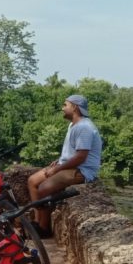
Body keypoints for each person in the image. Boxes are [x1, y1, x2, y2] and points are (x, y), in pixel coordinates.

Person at [27, 93, 102, 233]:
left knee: (43, 188)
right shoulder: (73, 125)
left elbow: (81, 157)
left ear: (74, 107)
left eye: (65, 105)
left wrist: (57, 169)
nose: (62, 108)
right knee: (32, 181)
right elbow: (73, 152)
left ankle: (43, 228)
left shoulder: (84, 127)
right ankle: (37, 221)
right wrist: (60, 161)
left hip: (81, 170)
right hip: (70, 166)